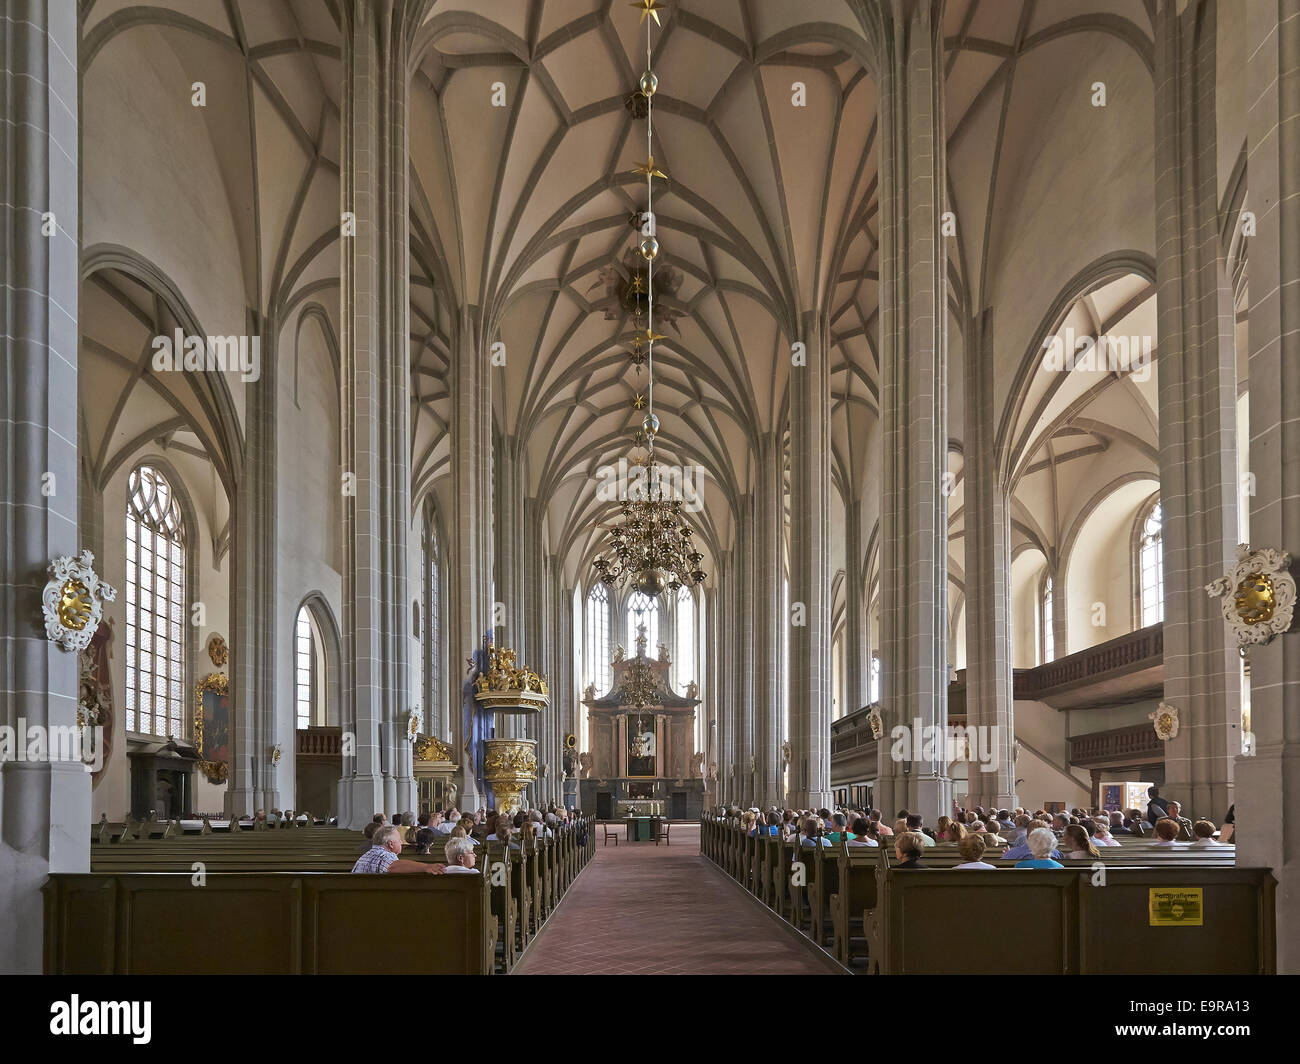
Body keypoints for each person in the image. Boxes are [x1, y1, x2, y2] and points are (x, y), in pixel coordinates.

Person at [351, 825, 446, 874]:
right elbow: (392, 866)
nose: (401, 842)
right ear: (391, 844)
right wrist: (426, 867)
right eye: (399, 840)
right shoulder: (383, 855)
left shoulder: (366, 855)